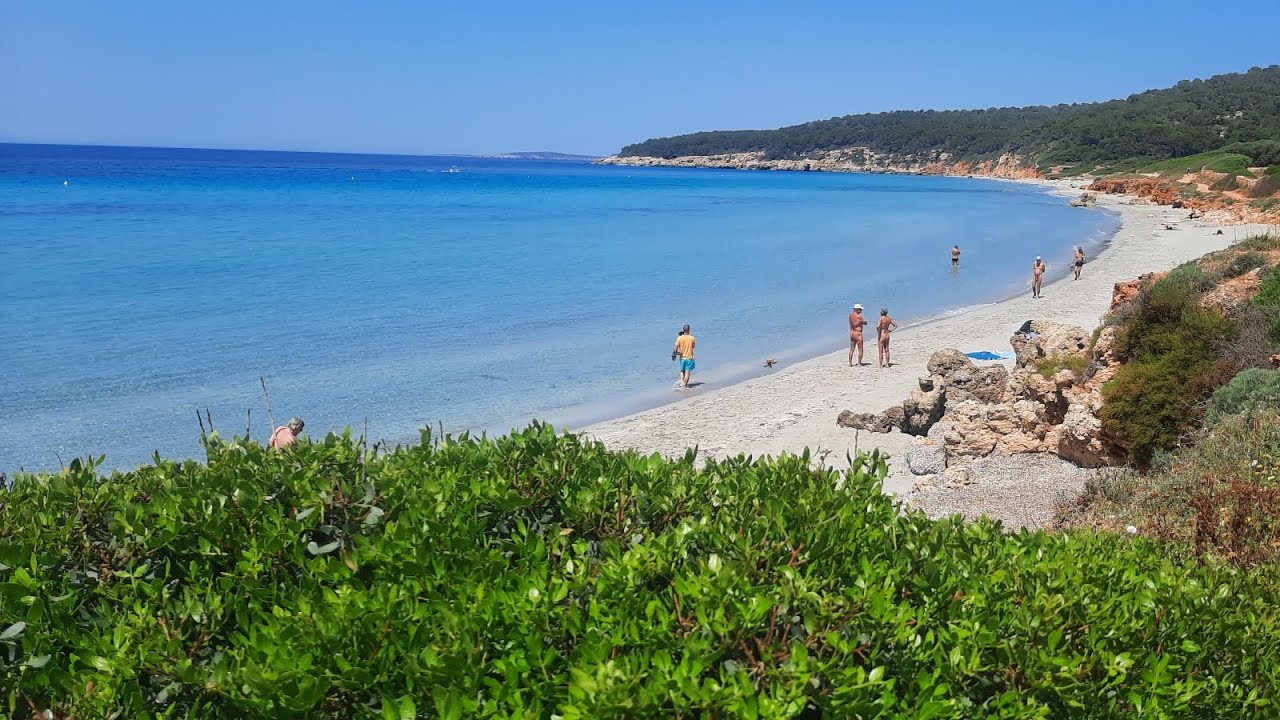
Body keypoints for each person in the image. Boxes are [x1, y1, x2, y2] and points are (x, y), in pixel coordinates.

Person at [673, 324, 696, 389]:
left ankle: (682, 382)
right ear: (689, 330)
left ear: (683, 330)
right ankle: (684, 385)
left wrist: (674, 354)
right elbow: (693, 346)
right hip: (689, 358)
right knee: (687, 372)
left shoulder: (679, 338)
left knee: (682, 371)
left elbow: (676, 348)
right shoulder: (692, 338)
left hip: (682, 358)